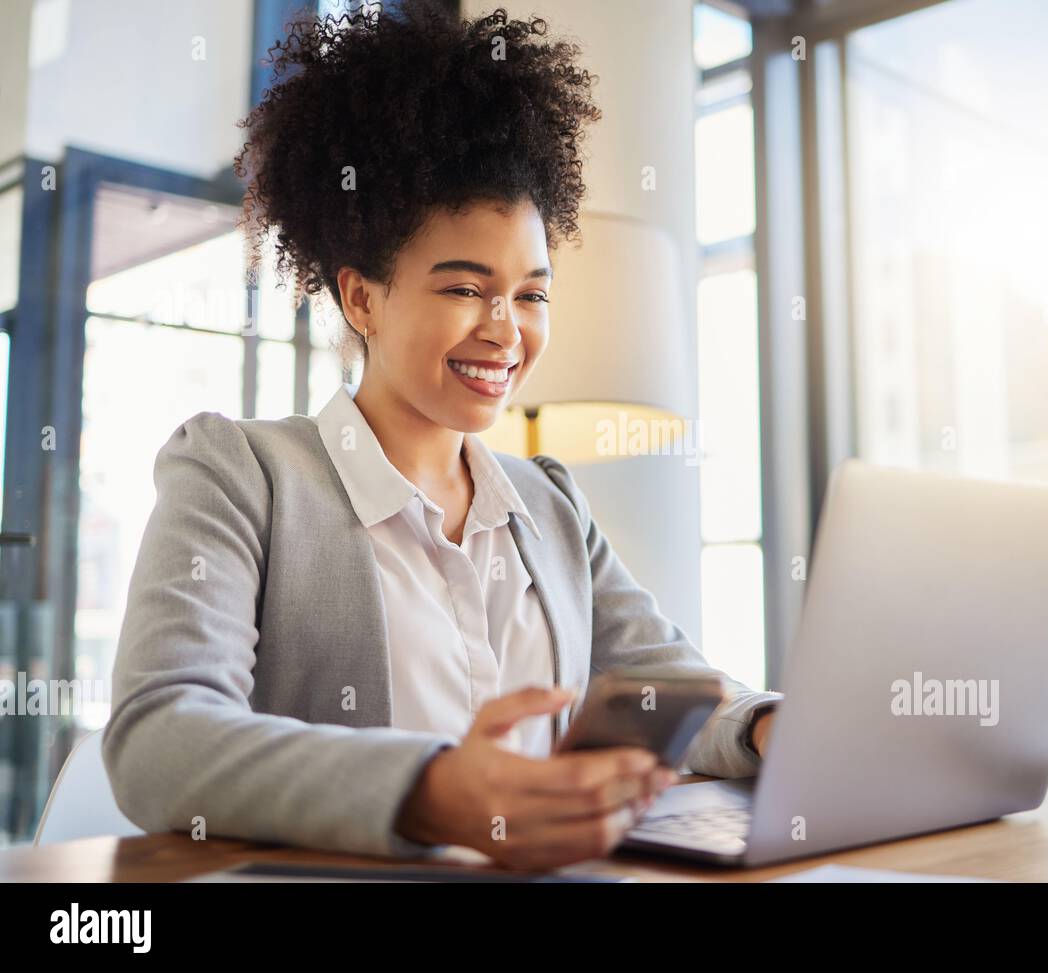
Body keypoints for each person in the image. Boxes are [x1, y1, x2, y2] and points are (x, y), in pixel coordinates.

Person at [103, 2, 781, 870]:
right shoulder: (239, 474)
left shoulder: (549, 503)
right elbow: (161, 739)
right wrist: (435, 792)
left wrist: (766, 724)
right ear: (361, 298)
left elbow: (677, 688)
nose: (507, 329)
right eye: (465, 288)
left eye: (531, 294)